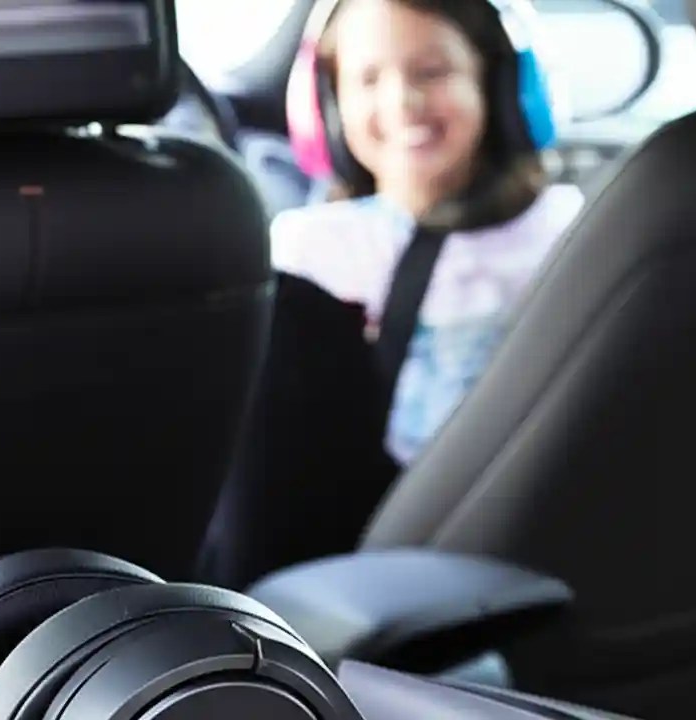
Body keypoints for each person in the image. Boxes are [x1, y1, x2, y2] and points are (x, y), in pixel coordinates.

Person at [198, 0, 584, 588]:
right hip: (337, 548)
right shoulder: (308, 248)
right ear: (327, 104)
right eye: (368, 79)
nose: (401, 101)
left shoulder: (563, 239)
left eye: (431, 73)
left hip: (496, 530)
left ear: (501, 85)